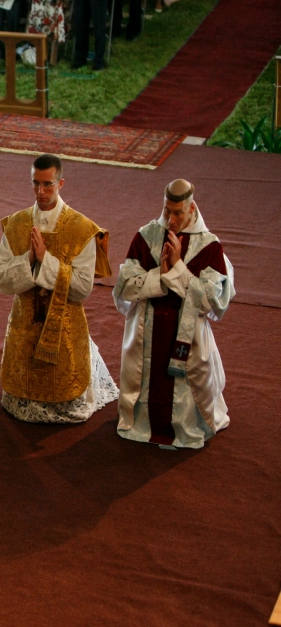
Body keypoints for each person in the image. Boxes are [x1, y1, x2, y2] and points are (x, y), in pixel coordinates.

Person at [0, 154, 118, 423]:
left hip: (64, 327)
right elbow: (1, 279)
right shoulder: (15, 225)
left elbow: (83, 288)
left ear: (61, 183)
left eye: (47, 184)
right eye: (35, 183)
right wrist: (28, 259)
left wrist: (46, 261)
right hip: (25, 323)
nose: (41, 191)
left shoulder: (81, 229)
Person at [113, 180, 234, 449]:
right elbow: (124, 289)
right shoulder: (146, 236)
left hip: (188, 339)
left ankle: (185, 425)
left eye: (178, 213)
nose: (171, 219)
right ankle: (143, 422)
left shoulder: (209, 247)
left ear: (192, 208)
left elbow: (211, 303)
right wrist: (160, 275)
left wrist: (178, 267)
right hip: (147, 328)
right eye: (167, 211)